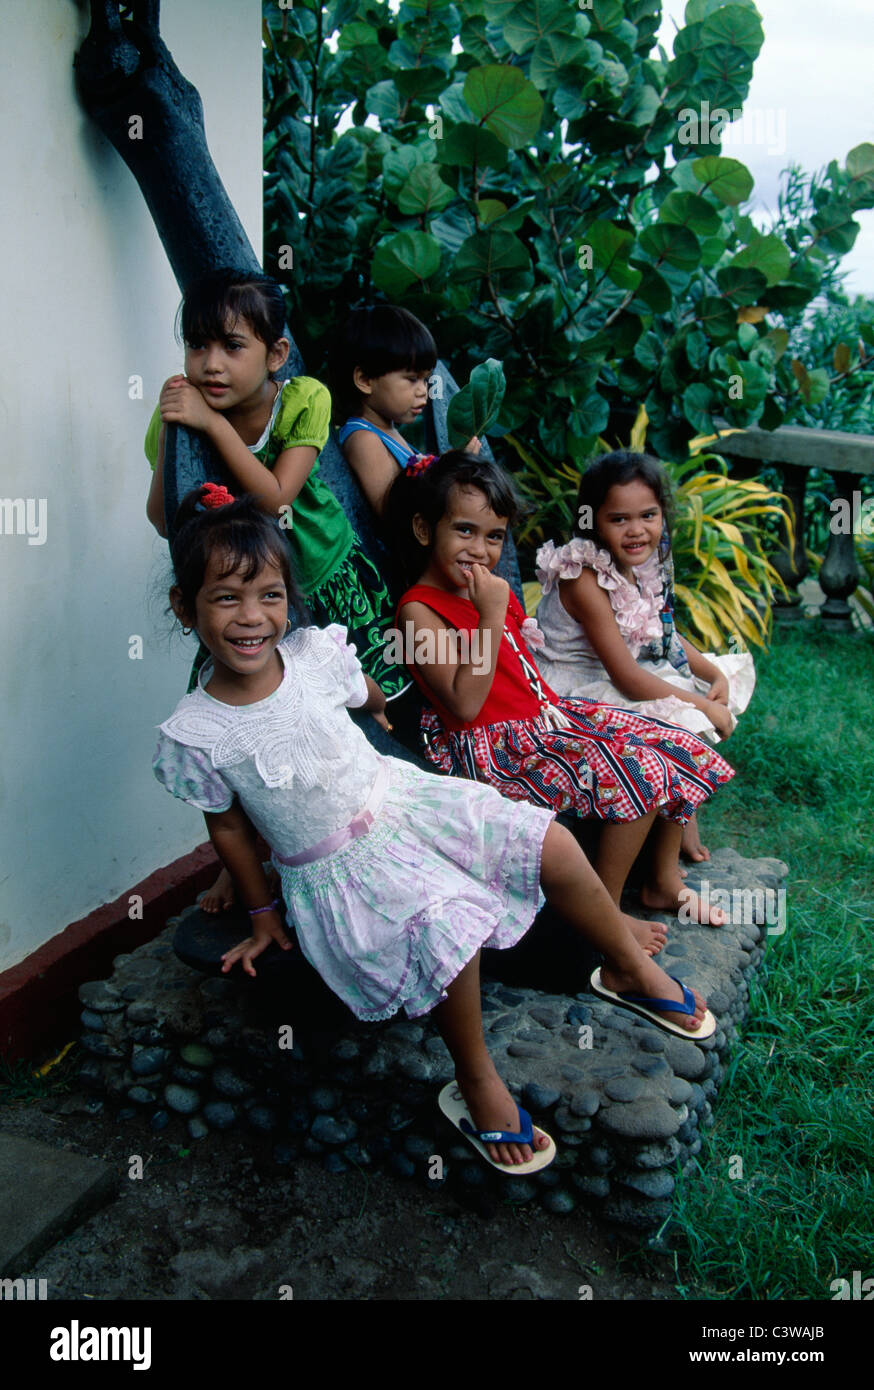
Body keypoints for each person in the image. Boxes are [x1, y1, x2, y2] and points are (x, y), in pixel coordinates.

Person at [152, 487, 716, 1173]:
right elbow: (232, 829)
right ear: (186, 608)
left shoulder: (311, 657)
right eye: (226, 599)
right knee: (448, 924)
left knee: (547, 838)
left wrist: (378, 712)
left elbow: (367, 693)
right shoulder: (198, 731)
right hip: (340, 867)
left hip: (404, 800)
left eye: (270, 595)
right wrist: (265, 911)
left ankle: (626, 967)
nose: (252, 618)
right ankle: (476, 1079)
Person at [145, 268, 409, 911]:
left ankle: (373, 818)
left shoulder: (303, 399)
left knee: (346, 707)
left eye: (232, 346)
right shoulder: (182, 408)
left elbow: (275, 497)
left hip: (323, 575)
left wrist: (213, 427)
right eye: (197, 345)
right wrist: (181, 427)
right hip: (249, 600)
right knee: (242, 731)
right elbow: (165, 516)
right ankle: (246, 863)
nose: (211, 364)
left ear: (276, 354)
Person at [390, 451, 736, 929]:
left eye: (494, 537)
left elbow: (524, 675)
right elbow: (465, 704)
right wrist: (490, 616)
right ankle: (605, 916)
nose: (480, 550)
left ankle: (661, 881)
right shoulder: (418, 612)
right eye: (464, 531)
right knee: (642, 771)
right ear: (426, 530)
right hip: (495, 747)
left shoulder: (492, 592)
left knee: (677, 742)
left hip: (546, 717)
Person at [534, 450, 755, 865]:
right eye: (619, 519)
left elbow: (658, 629)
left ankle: (682, 824)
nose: (636, 531)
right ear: (591, 520)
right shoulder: (583, 575)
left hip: (619, 672)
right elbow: (626, 677)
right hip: (573, 688)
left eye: (648, 516)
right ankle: (663, 869)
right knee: (681, 720)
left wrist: (711, 676)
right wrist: (703, 704)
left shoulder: (638, 563)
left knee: (701, 693)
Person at [331, 303, 480, 517]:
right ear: (364, 380)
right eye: (412, 380)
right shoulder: (363, 439)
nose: (423, 391)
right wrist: (450, 473)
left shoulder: (386, 432)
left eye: (425, 379)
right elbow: (394, 513)